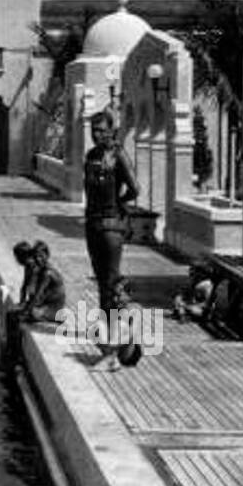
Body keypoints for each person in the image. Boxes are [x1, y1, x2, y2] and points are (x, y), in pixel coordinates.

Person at [83, 109, 139, 371]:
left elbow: (136, 188)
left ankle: (112, 354)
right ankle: (115, 342)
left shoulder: (118, 156)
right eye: (93, 130)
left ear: (112, 130)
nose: (96, 135)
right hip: (92, 226)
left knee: (110, 287)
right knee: (102, 287)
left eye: (102, 130)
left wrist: (118, 203)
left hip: (111, 229)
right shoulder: (91, 156)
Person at [18, 240, 66, 323]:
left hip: (54, 309)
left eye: (41, 256)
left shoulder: (47, 273)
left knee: (31, 313)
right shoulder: (41, 270)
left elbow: (37, 295)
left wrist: (26, 310)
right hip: (47, 304)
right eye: (36, 257)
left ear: (47, 255)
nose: (38, 259)